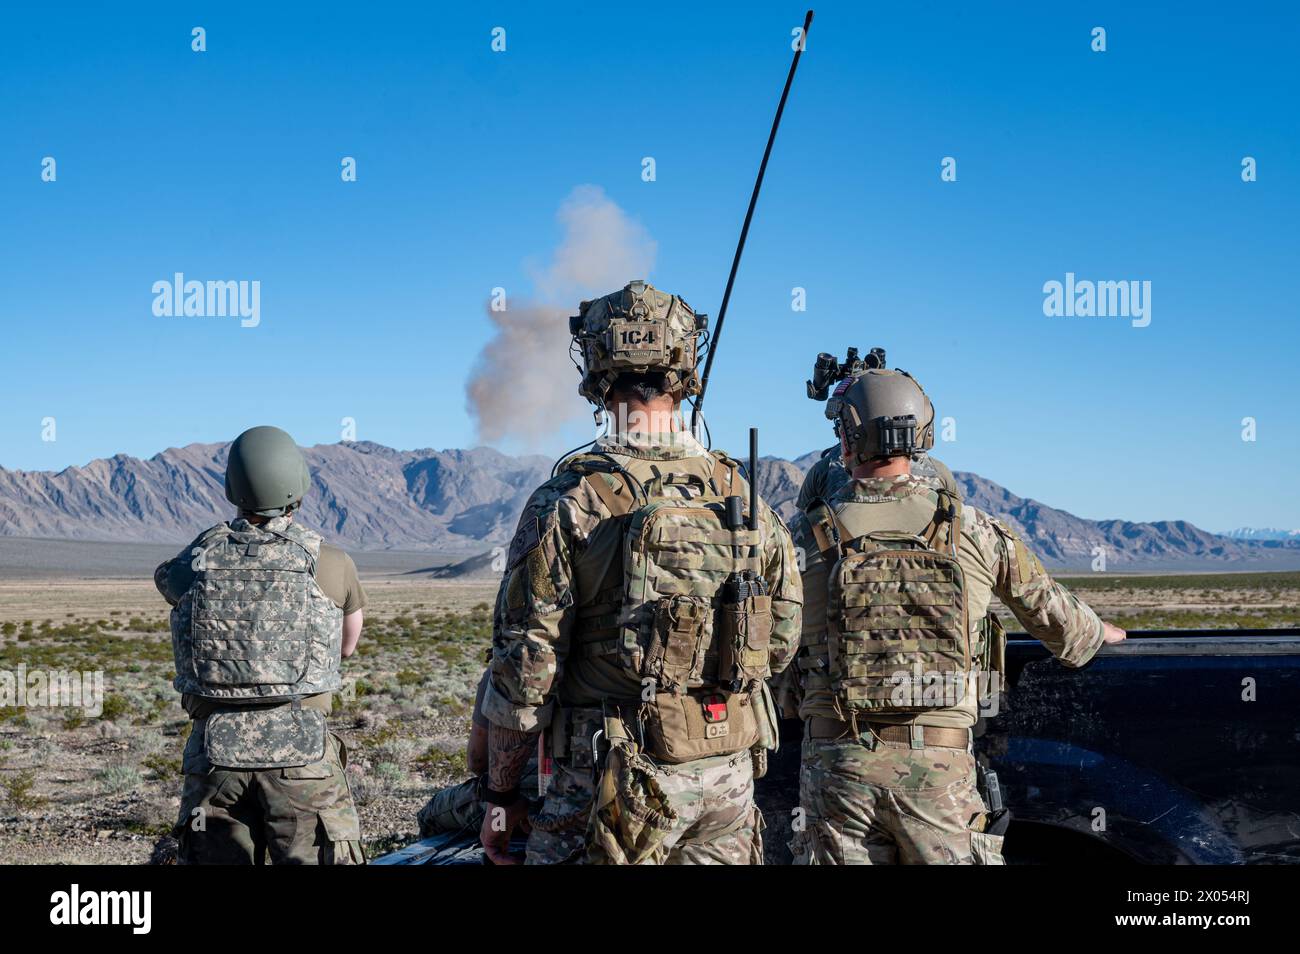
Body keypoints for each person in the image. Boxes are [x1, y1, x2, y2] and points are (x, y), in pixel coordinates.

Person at [477, 279, 802, 864]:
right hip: (726, 779)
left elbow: (526, 671)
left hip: (609, 789)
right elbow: (779, 644)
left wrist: (499, 797)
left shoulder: (571, 498)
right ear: (685, 366)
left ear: (597, 366)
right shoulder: (741, 493)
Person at [786, 368, 1126, 864]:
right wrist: (1103, 631)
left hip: (838, 764)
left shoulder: (796, 536)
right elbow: (1062, 624)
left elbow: (763, 640)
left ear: (847, 439)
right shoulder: (974, 529)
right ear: (921, 436)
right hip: (940, 766)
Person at [154, 425, 366, 864]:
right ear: (301, 486)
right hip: (304, 760)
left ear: (232, 487)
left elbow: (166, 580)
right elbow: (345, 648)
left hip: (215, 761)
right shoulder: (331, 562)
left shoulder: (197, 560)